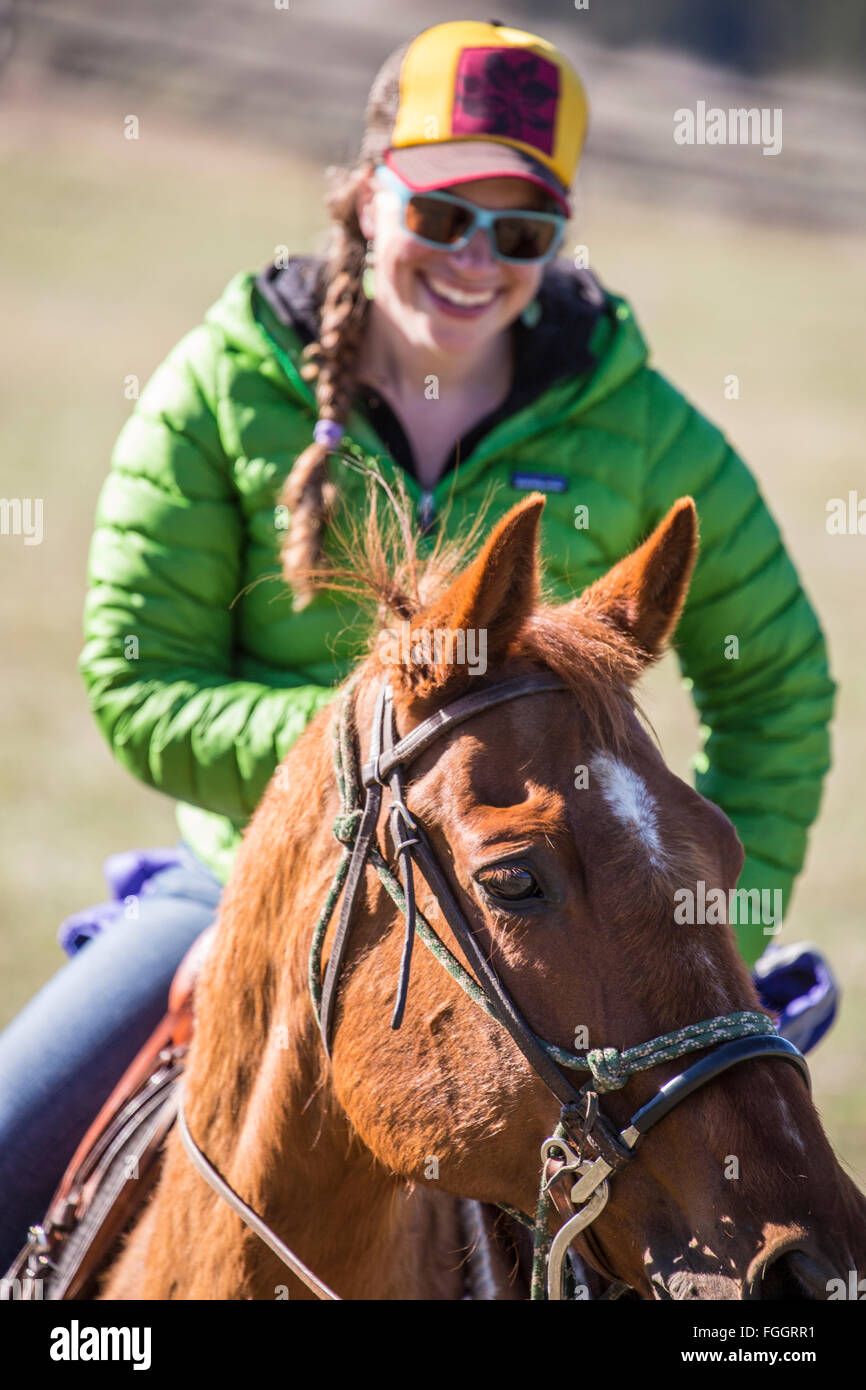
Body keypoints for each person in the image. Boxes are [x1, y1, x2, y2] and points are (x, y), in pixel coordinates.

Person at [0, 19, 838, 1272]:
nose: (474, 259)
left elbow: (776, 689)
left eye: (519, 231)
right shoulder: (221, 388)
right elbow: (136, 678)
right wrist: (374, 762)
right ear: (366, 190)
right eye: (442, 213)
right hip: (233, 895)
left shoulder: (652, 430)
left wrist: (686, 917)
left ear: (555, 239)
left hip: (554, 925)